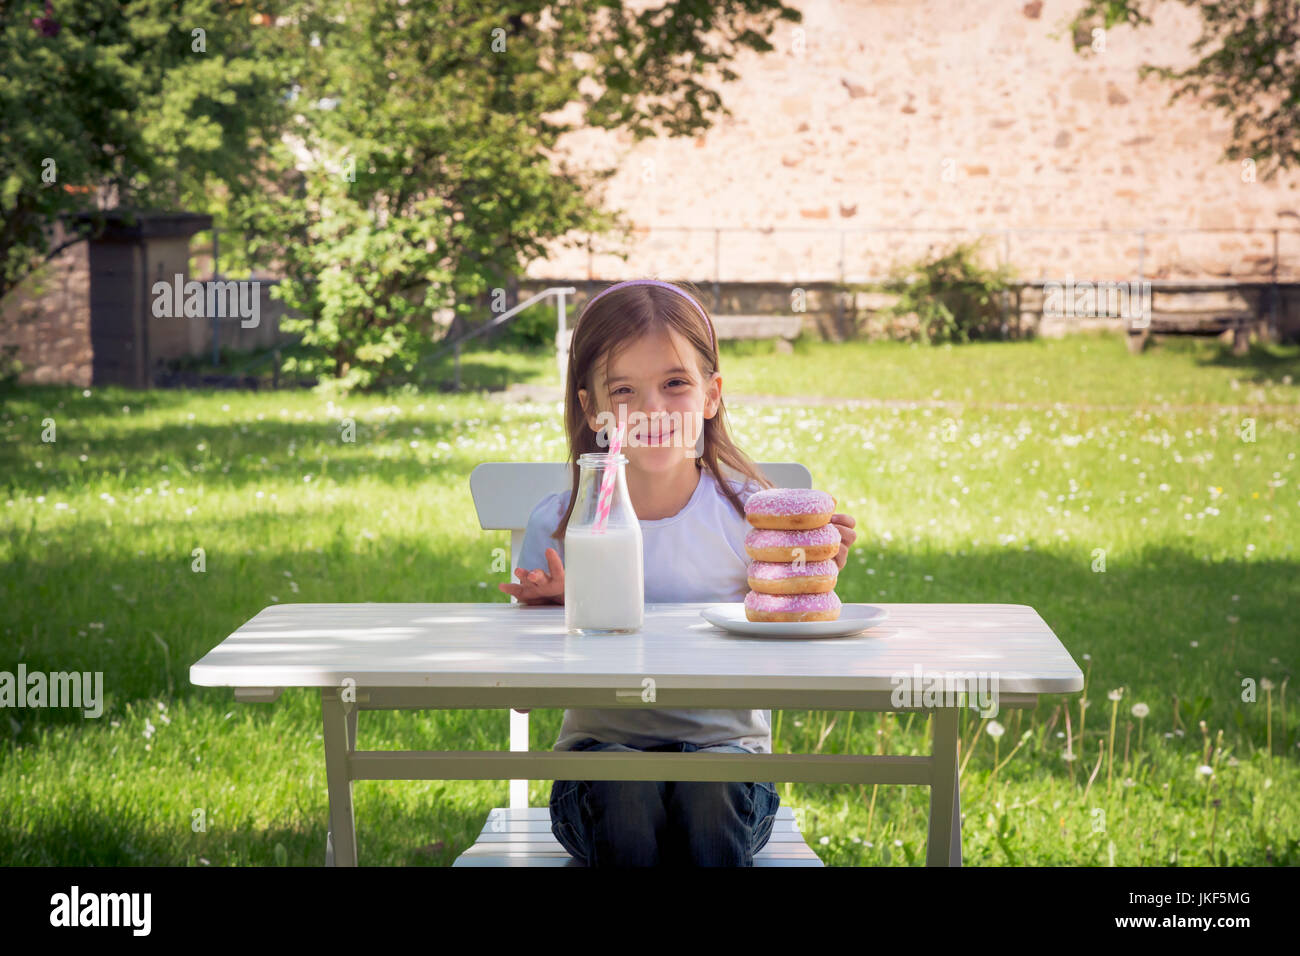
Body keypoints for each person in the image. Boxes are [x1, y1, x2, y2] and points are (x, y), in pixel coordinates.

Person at [499, 278, 858, 866]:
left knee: (708, 783)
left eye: (675, 384)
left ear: (712, 394)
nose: (652, 411)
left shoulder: (751, 518)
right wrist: (560, 613)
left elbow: (795, 660)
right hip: (597, 764)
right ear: (591, 409)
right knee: (626, 785)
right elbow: (521, 695)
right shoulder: (565, 525)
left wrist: (808, 582)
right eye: (623, 390)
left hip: (729, 764)